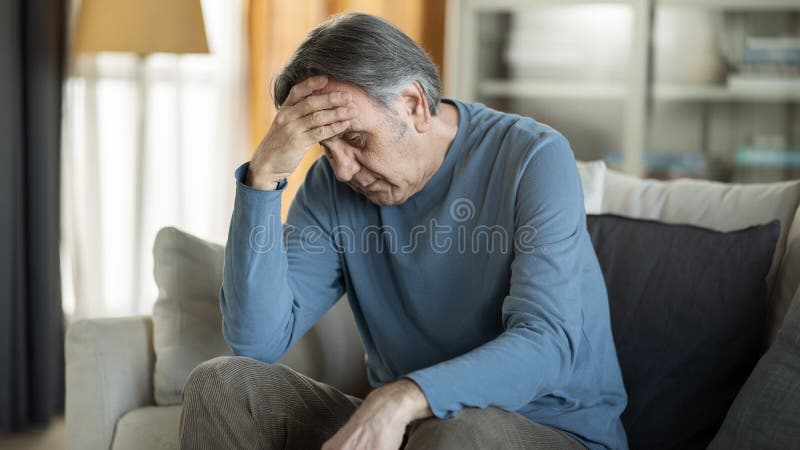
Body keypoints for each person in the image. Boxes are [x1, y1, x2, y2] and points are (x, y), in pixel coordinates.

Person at [179, 12, 628, 450]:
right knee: (223, 384)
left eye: (355, 140)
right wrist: (263, 179)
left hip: (547, 429)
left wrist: (400, 399)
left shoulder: (533, 157)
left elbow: (547, 345)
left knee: (457, 430)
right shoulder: (329, 186)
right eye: (325, 147)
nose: (342, 169)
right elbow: (255, 340)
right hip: (410, 428)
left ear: (412, 105)